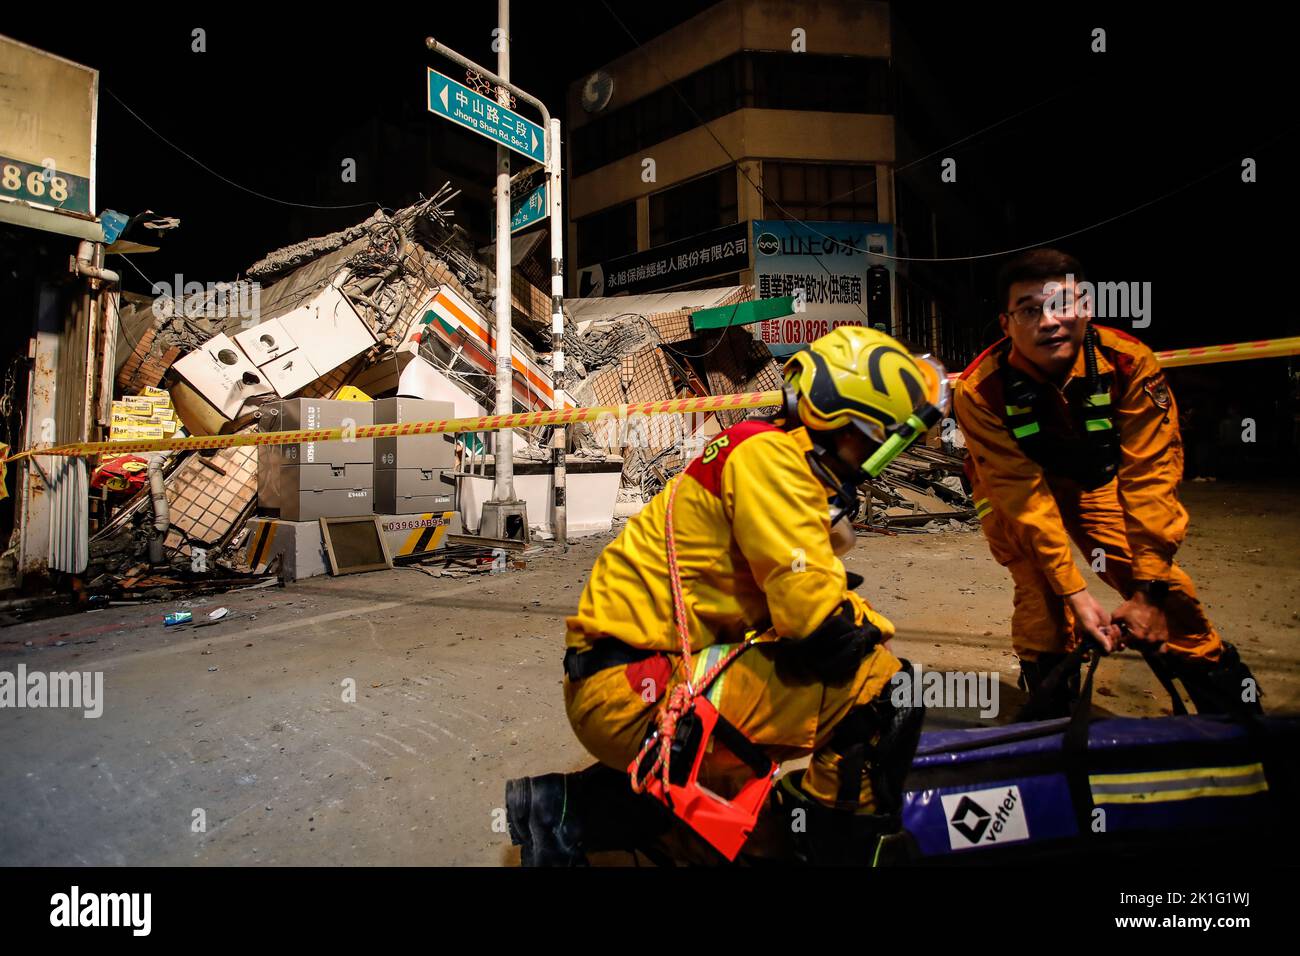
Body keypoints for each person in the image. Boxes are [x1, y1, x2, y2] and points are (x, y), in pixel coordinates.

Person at [507, 327, 949, 865]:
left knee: (738, 747)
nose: (875, 455)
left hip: (620, 678)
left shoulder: (764, 450)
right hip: (633, 687)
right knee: (882, 690)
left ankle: (564, 811)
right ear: (848, 422)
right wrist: (862, 622)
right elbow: (818, 629)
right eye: (879, 438)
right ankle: (835, 849)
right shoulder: (776, 464)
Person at [954, 248, 1263, 718]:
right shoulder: (980, 390)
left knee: (1161, 587)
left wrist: (1149, 593)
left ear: (1087, 307)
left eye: (1062, 304)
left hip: (1091, 480)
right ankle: (1051, 715)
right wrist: (1073, 591)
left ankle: (1231, 711)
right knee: (1042, 598)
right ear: (1006, 324)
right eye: (1030, 310)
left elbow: (1151, 475)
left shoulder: (1128, 363)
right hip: (1008, 492)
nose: (1050, 322)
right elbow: (1020, 493)